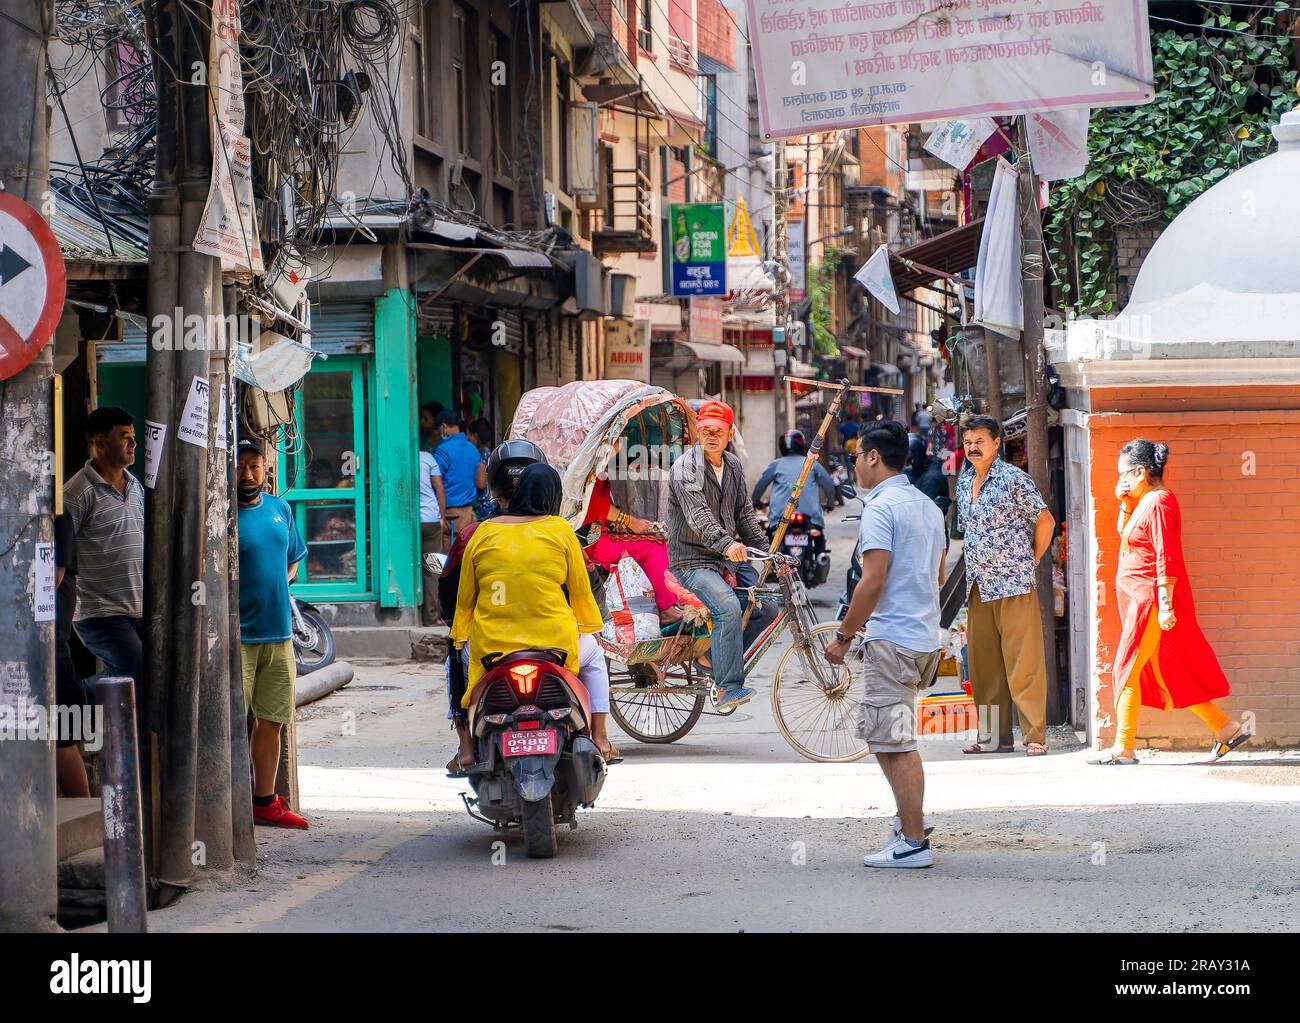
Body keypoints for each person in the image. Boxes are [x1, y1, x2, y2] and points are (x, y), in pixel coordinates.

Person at [825, 421, 946, 868]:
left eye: (857, 456)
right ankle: (906, 823)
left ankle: (913, 842)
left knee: (895, 742)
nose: (855, 464)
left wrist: (842, 636)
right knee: (888, 738)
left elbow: (872, 580)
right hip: (922, 637)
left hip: (893, 638)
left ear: (874, 457)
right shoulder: (926, 507)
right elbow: (937, 574)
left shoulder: (881, 507)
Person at [1089, 440, 1250, 765]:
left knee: (1127, 669)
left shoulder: (1160, 502)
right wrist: (1123, 501)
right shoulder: (1144, 501)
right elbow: (1127, 535)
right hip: (1138, 602)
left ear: (1141, 471)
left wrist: (1165, 604)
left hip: (1148, 602)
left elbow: (1166, 555)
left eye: (1124, 474)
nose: (1120, 479)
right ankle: (1225, 728)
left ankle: (1124, 747)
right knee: (1168, 673)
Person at [449, 463, 615, 761]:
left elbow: (465, 599)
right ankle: (601, 739)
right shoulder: (559, 529)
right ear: (554, 496)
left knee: (456, 665)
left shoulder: (483, 532)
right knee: (595, 656)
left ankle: (467, 750)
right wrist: (592, 625)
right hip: (554, 645)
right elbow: (580, 590)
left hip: (492, 647)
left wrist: (460, 637)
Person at [956, 415, 1055, 756]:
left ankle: (1035, 737)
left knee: (1023, 662)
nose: (973, 447)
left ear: (997, 443)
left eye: (980, 440)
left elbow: (1045, 521)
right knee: (984, 667)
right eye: (968, 441)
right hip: (978, 585)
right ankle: (993, 738)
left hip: (1014, 583)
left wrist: (1032, 560)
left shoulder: (1014, 479)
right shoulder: (963, 481)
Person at [666, 400, 771, 709]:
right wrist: (727, 545)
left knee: (768, 606)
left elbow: (745, 516)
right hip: (691, 561)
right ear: (698, 431)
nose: (711, 435)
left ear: (730, 434)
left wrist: (768, 556)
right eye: (705, 430)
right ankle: (727, 686)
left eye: (718, 431)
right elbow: (700, 518)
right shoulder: (686, 468)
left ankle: (712, 656)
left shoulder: (734, 466)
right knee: (727, 607)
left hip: (723, 559)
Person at [236, 439, 310, 829]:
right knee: (234, 722)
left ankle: (264, 801)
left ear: (266, 469)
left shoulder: (281, 509)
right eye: (240, 466)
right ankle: (230, 806)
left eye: (254, 466)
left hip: (279, 635)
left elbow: (294, 558)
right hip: (238, 640)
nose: (247, 474)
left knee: (272, 720)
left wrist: (279, 582)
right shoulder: (223, 515)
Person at [64, 406, 146, 696]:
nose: (133, 443)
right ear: (99, 442)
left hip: (138, 607)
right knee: (136, 676)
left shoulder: (136, 486)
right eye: (124, 436)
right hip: (99, 612)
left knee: (148, 680)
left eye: (132, 436)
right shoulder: (77, 492)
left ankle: (132, 740)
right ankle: (73, 695)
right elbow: (58, 550)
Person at [581, 475, 682, 623]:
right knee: (655, 545)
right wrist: (630, 522)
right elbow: (594, 502)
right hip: (592, 540)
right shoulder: (592, 464)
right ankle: (666, 609)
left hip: (591, 536)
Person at [54, 512, 90, 797]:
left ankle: (84, 809)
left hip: (51, 647)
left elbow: (53, 576)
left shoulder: (58, 517)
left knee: (61, 740)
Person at [751, 428, 838, 533]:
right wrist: (830, 504)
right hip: (811, 519)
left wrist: (756, 501)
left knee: (768, 543)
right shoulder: (812, 464)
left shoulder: (776, 464)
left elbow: (761, 485)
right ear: (802, 445)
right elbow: (828, 484)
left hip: (780, 518)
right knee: (819, 542)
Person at [434, 410, 480, 549]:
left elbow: (435, 483)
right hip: (468, 514)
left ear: (443, 427)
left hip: (449, 516)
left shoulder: (442, 450)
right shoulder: (473, 449)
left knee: (446, 563)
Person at [418, 440, 445, 626]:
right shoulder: (427, 457)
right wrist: (441, 515)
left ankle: (414, 614)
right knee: (432, 569)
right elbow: (439, 487)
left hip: (407, 521)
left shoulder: (403, 459)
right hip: (430, 519)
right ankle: (431, 616)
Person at [468, 418, 496, 519]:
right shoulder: (488, 453)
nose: (468, 438)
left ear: (475, 436)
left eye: (469, 435)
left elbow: (480, 483)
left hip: (483, 506)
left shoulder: (482, 455)